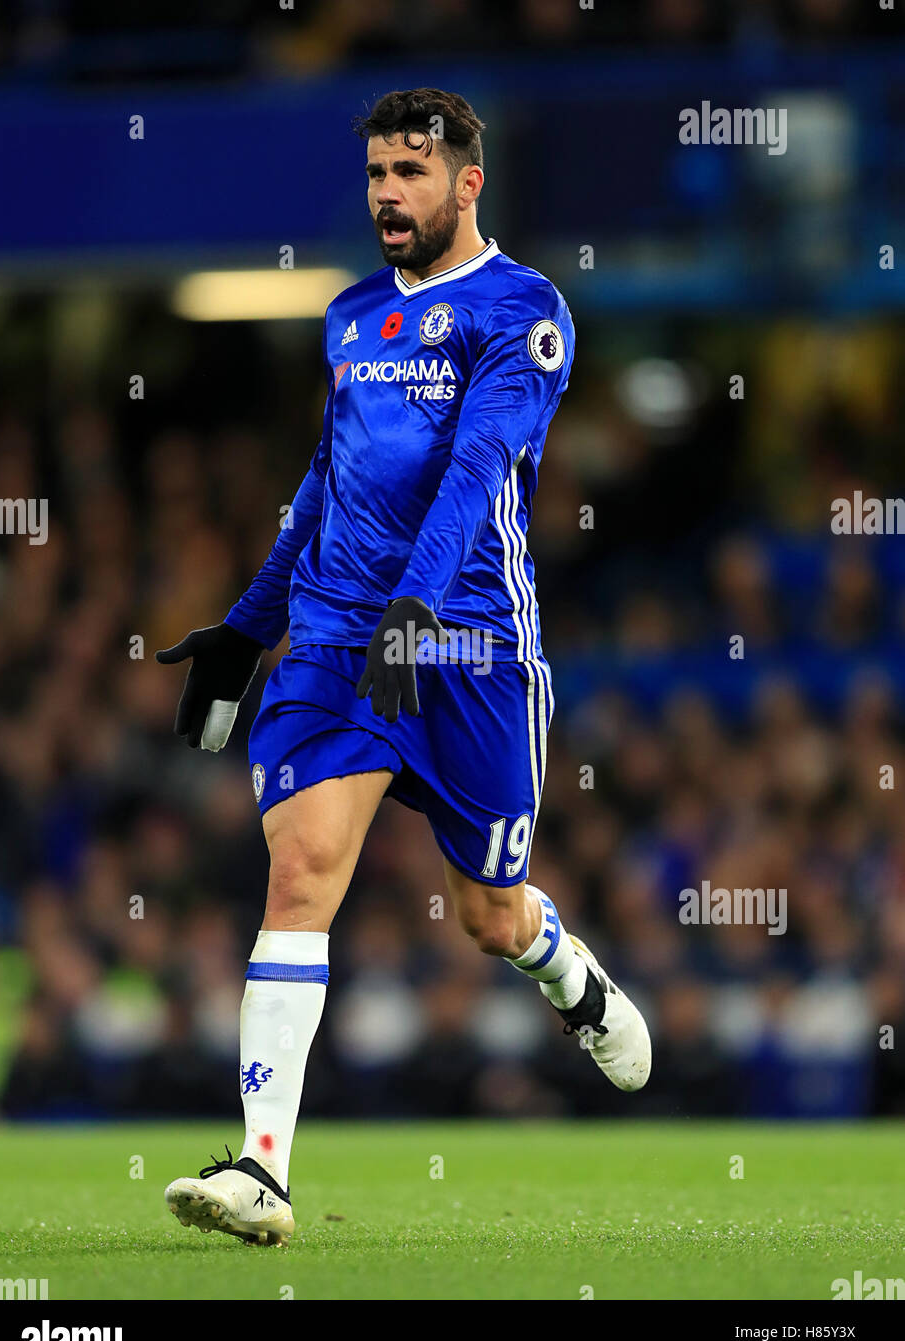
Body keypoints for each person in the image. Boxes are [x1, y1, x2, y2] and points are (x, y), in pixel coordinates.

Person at [157, 87, 650, 1247]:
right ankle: (261, 1171)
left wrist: (418, 615)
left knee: (487, 916)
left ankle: (565, 972)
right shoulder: (347, 318)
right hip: (335, 640)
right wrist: (247, 624)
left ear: (466, 183)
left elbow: (480, 470)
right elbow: (325, 483)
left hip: (469, 647)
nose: (387, 194)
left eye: (411, 174)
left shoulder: (525, 310)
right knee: (300, 874)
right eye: (377, 173)